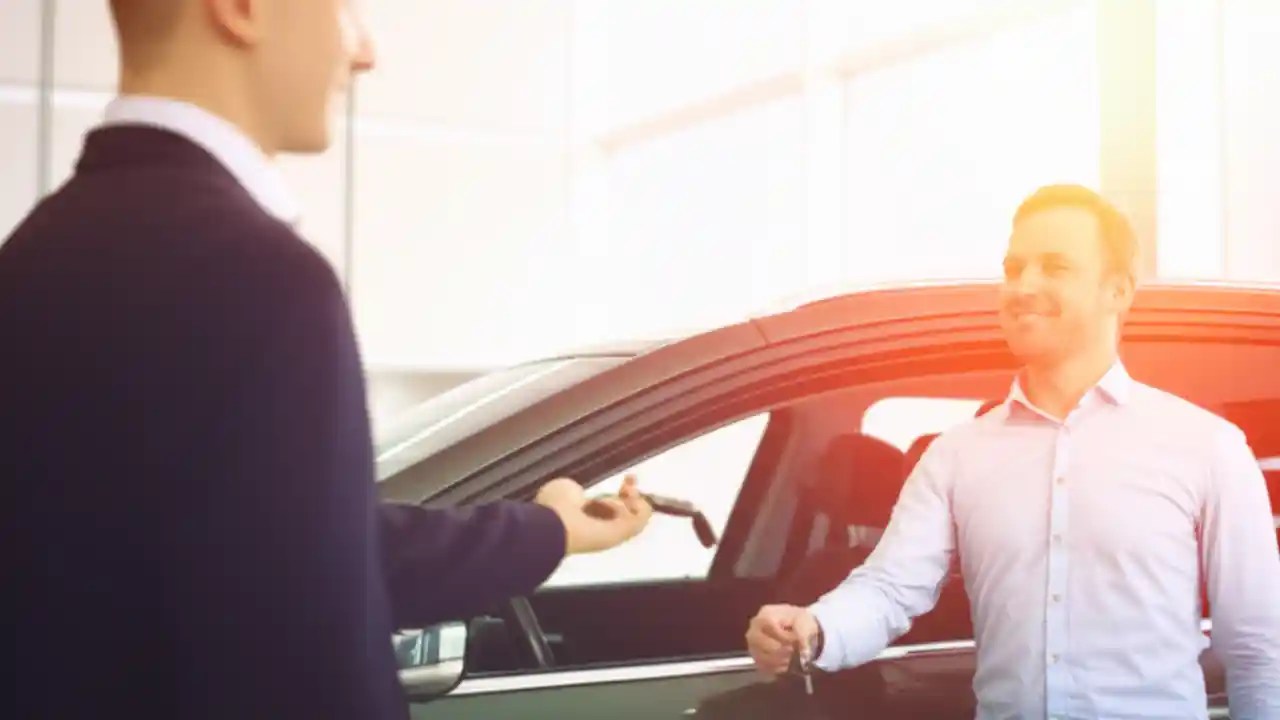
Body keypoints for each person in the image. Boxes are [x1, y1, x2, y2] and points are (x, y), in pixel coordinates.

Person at [4, 1, 651, 718]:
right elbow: (310, 655)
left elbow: (288, 549)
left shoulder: (33, 261)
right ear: (241, 9)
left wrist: (546, 530)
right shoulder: (260, 276)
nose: (365, 52)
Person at [745, 184, 1280, 718]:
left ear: (1117, 291)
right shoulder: (958, 457)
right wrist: (812, 630)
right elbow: (888, 589)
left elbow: (1259, 650)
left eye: (1054, 267)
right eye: (1013, 267)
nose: (1024, 285)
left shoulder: (1205, 447)